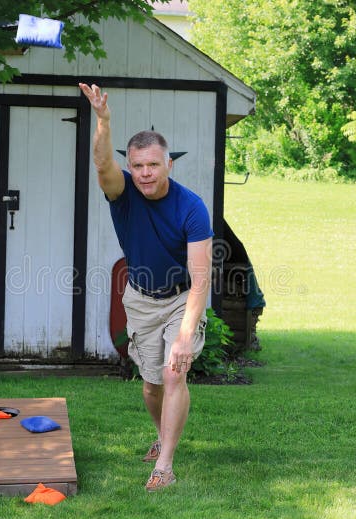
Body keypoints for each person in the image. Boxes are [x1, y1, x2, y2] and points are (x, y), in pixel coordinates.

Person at [79, 83, 213, 492]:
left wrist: (185, 335)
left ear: (168, 164)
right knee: (152, 384)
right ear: (130, 167)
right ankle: (161, 435)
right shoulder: (122, 194)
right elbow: (102, 164)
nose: (145, 173)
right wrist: (103, 121)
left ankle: (165, 466)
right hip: (140, 299)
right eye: (138, 166)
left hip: (180, 298)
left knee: (174, 374)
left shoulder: (191, 207)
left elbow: (201, 278)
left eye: (153, 164)